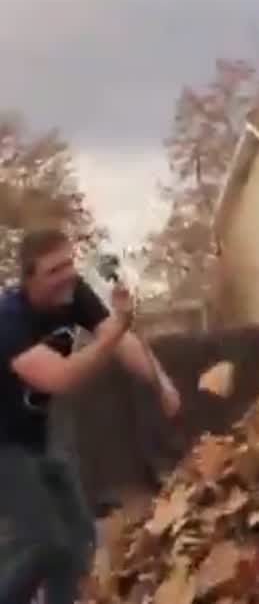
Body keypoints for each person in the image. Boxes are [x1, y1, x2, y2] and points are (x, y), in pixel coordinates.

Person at [0, 227, 181, 604]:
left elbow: (123, 341)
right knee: (43, 542)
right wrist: (113, 333)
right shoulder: (9, 318)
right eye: (54, 270)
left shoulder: (75, 294)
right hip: (4, 444)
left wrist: (161, 382)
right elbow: (59, 378)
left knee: (80, 539)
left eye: (69, 264)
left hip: (41, 434)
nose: (66, 275)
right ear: (30, 278)